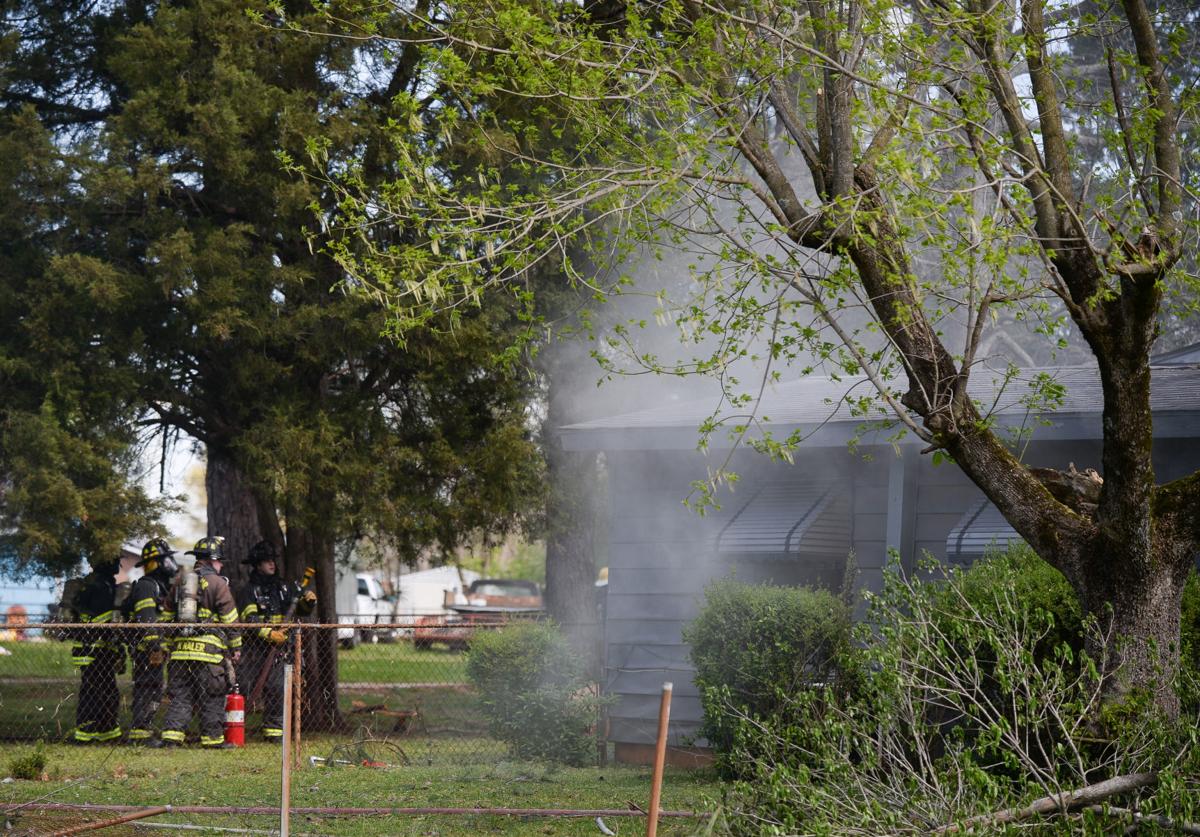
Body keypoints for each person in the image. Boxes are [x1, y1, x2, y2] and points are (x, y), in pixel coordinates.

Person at [153, 536, 241, 748]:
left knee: (180, 697)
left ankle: (171, 739)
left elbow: (166, 617)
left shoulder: (181, 582)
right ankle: (212, 740)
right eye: (219, 561)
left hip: (180, 653)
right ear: (212, 560)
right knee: (212, 696)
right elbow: (230, 619)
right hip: (209, 655)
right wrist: (236, 647)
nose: (221, 565)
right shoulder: (218, 583)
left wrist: (165, 645)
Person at [236, 540, 316, 742]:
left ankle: (274, 732)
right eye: (267, 561)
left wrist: (308, 602)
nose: (272, 564)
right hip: (255, 649)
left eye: (273, 560)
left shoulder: (283, 588)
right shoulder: (249, 591)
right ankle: (234, 727)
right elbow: (249, 620)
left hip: (280, 649)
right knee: (244, 688)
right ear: (257, 565)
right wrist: (268, 633)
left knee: (277, 689)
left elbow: (299, 610)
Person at [124, 538, 178, 744]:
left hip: (158, 650)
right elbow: (147, 619)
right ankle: (140, 734)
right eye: (166, 559)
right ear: (155, 563)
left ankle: (145, 729)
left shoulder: (161, 586)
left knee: (155, 690)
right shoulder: (147, 586)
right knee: (146, 690)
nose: (171, 564)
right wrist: (155, 647)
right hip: (147, 650)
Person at [70, 554, 125, 744]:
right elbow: (104, 620)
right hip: (96, 650)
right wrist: (119, 643)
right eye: (115, 560)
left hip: (91, 649)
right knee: (94, 694)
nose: (118, 564)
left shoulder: (93, 583)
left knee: (104, 692)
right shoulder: (101, 586)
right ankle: (85, 735)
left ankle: (107, 733)